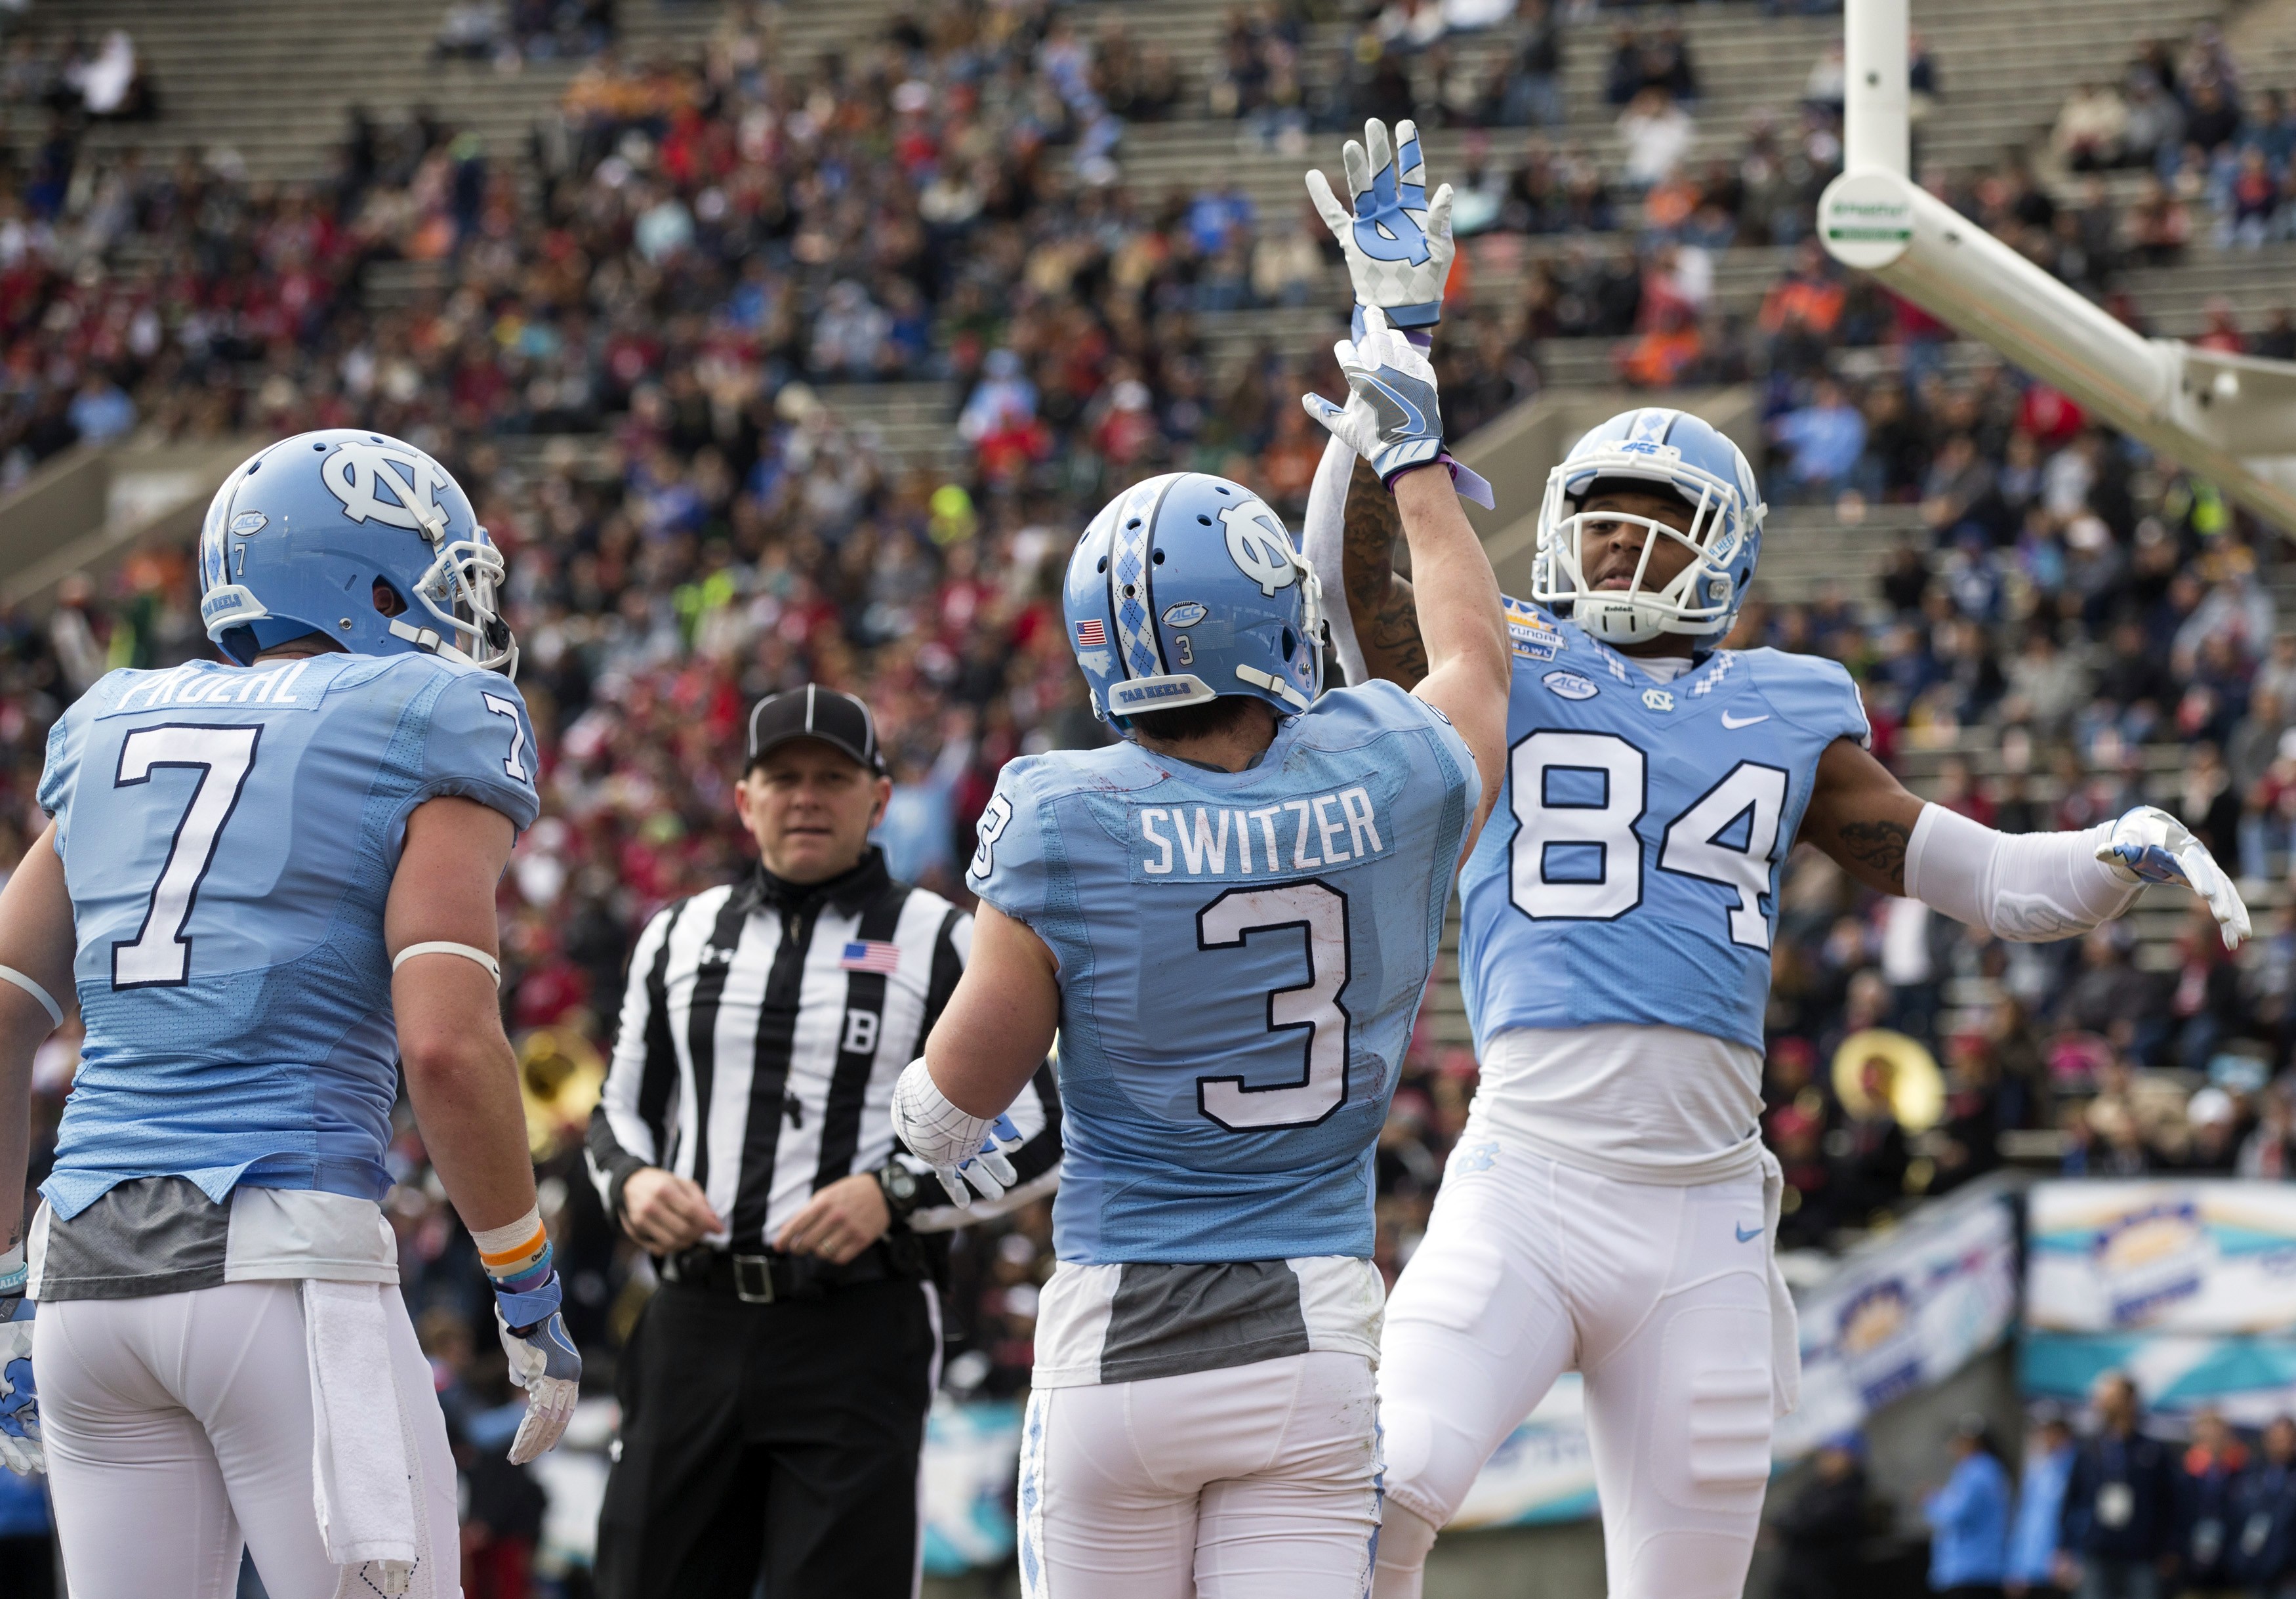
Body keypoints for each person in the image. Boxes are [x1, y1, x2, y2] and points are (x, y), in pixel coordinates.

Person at [1299, 136, 2252, 1599]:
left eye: (1649, 529)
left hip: (1702, 1216)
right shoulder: (1509, 654)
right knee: (1375, 1498)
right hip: (1527, 1179)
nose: (1614, 551)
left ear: (1724, 555)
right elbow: (1364, 602)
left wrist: (2111, 853)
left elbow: (1980, 879)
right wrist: (1391, 341)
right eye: (1598, 523)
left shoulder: (1793, 703)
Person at [891, 119, 1509, 1599]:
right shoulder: (1383, 765)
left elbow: (955, 1104)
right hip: (1313, 1326)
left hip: (1120, 1338)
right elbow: (1475, 657)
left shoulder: (1064, 812)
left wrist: (919, 1132)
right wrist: (1408, 430)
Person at [0, 429, 577, 1597]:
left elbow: (3, 1007)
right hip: (281, 1253)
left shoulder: (112, 716)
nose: (457, 613)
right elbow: (446, 1043)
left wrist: (6, 1279)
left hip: (84, 1285)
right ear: (367, 579)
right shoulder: (429, 706)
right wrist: (523, 1272)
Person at [586, 684, 1062, 1599]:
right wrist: (634, 1183)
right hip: (693, 1315)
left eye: (832, 778)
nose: (806, 796)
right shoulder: (676, 934)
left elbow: (1041, 1117)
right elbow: (617, 1109)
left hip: (857, 1321)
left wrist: (894, 1192)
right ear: (744, 798)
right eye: (783, 777)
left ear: (879, 798)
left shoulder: (946, 939)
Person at [2059, 1373, 2177, 1599]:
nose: (2104, 1403)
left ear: (2130, 1400)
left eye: (2112, 1396)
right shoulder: (2090, 1450)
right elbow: (2071, 1499)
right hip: (2097, 1552)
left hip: (2141, 1555)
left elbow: (2169, 1503)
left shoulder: (2152, 1452)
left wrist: (2169, 1548)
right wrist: (2064, 1549)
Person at [1926, 1414, 2012, 1596]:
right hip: (1978, 1570)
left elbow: (1955, 1514)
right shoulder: (1987, 1470)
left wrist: (1931, 1499)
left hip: (1971, 1571)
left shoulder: (1977, 1472)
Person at [2008, 1409, 2078, 1598]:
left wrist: (2074, 1558)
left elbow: (2080, 1517)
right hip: (2034, 1570)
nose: (2044, 1437)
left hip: (2063, 1568)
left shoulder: (2078, 1468)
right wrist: (2017, 1568)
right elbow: (2025, 1521)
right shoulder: (2039, 1471)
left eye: (2049, 1431)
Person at [2227, 1415, 2296, 1598]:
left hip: (2289, 1576)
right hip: (2254, 1570)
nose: (2281, 1445)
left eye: (2286, 1439)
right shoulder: (2252, 1473)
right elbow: (2238, 1517)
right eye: (2276, 1439)